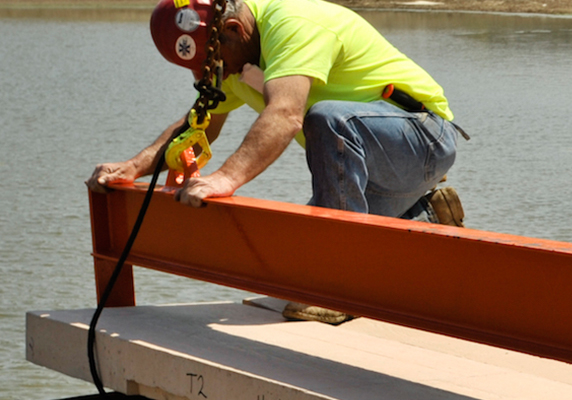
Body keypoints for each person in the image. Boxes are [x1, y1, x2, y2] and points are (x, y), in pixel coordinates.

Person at [85, 0, 467, 324]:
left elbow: (285, 114)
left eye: (218, 63)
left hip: (424, 138)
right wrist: (135, 166)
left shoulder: (292, 24)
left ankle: (340, 289)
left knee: (328, 118)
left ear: (234, 29)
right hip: (380, 166)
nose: (220, 75)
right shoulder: (236, 59)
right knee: (294, 254)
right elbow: (199, 125)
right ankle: (425, 214)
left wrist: (225, 178)